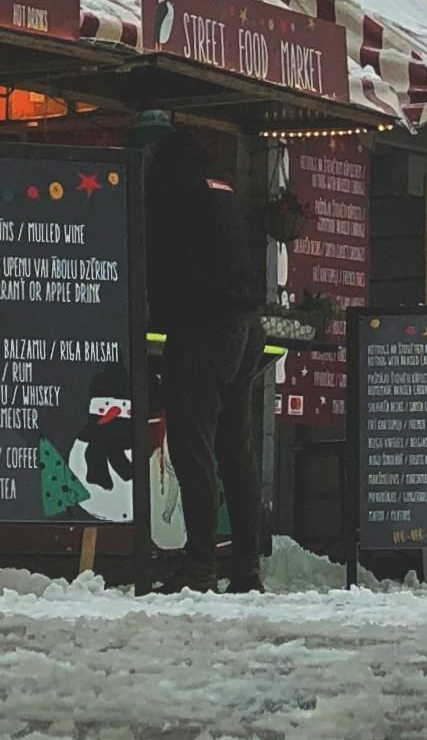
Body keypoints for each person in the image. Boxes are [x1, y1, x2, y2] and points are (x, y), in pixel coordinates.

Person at [144, 128, 266, 592]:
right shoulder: (221, 191)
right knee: (236, 448)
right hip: (247, 324)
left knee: (192, 444)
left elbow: (157, 257)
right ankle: (246, 565)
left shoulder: (172, 190)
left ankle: (199, 565)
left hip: (204, 327)